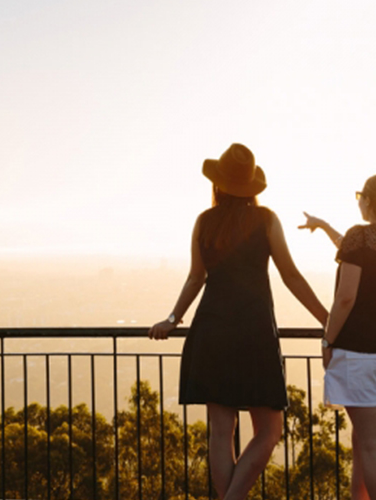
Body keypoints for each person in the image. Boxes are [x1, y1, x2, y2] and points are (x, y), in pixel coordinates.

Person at [148, 143, 329, 500]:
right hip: (254, 332)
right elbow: (291, 276)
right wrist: (327, 319)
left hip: (211, 331)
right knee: (269, 431)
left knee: (221, 431)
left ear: (218, 183)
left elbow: (196, 278)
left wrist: (172, 319)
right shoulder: (266, 220)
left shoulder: (205, 221)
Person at [300, 173, 376, 500]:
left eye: (359, 196)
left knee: (371, 445)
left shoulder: (361, 237)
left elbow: (345, 298)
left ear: (368, 201)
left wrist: (328, 340)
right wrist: (325, 226)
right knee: (366, 440)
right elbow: (354, 249)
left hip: (359, 354)